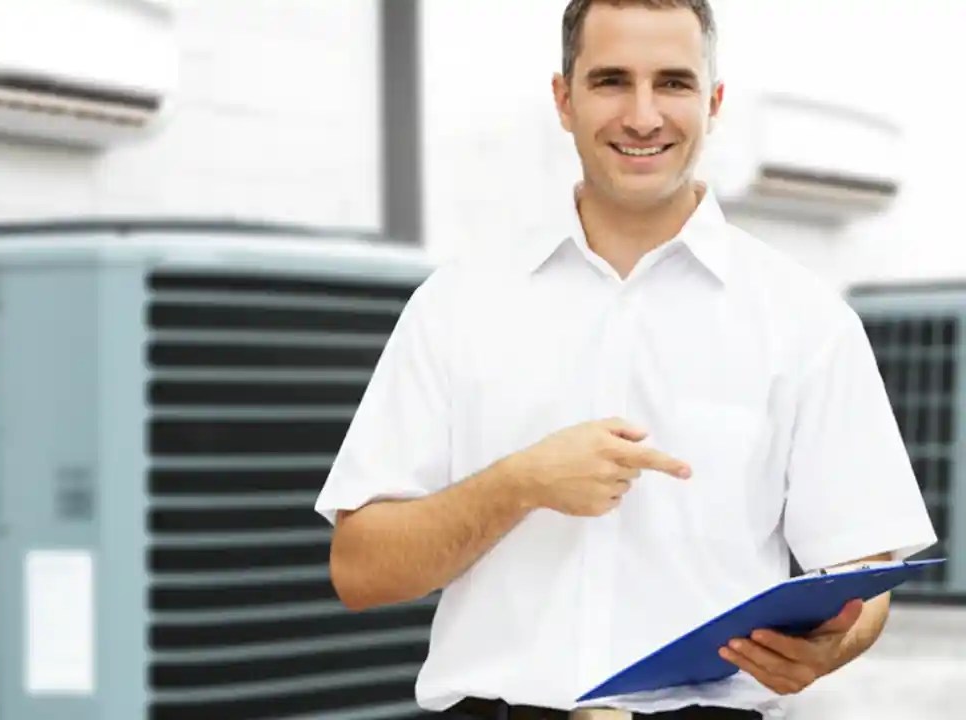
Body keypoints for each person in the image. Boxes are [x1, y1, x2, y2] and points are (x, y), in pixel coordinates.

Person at [314, 0, 938, 718]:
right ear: (564, 99)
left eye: (672, 83)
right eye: (611, 81)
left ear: (713, 101)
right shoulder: (455, 305)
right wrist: (519, 483)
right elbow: (360, 570)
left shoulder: (808, 321)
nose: (643, 116)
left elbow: (863, 567)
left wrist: (835, 641)